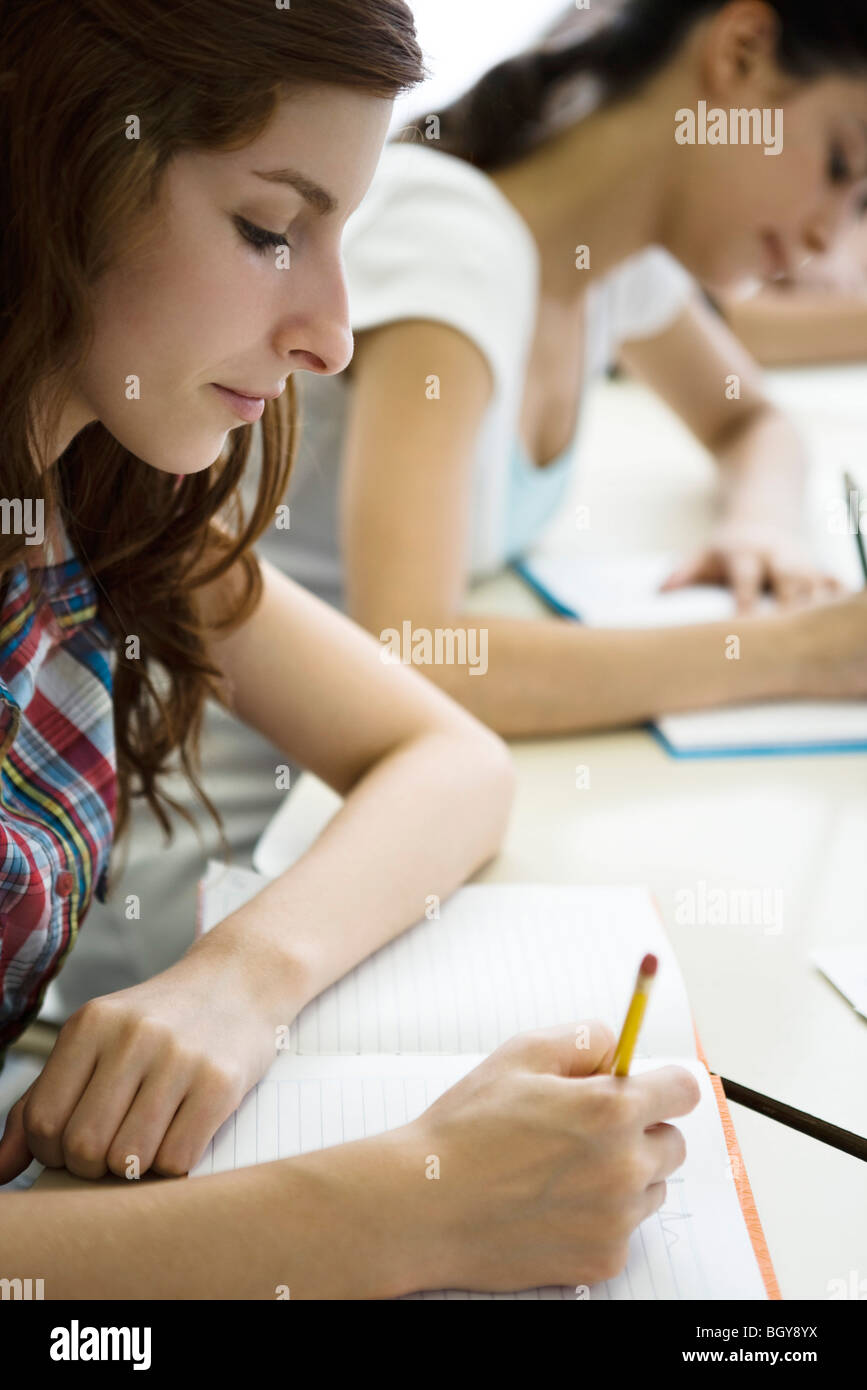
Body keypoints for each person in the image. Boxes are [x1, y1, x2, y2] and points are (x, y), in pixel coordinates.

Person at [0, 0, 700, 1299]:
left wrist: (241, 978)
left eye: (339, 239)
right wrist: (393, 1214)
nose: (331, 332)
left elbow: (448, 754)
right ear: (58, 158)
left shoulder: (90, 490)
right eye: (271, 230)